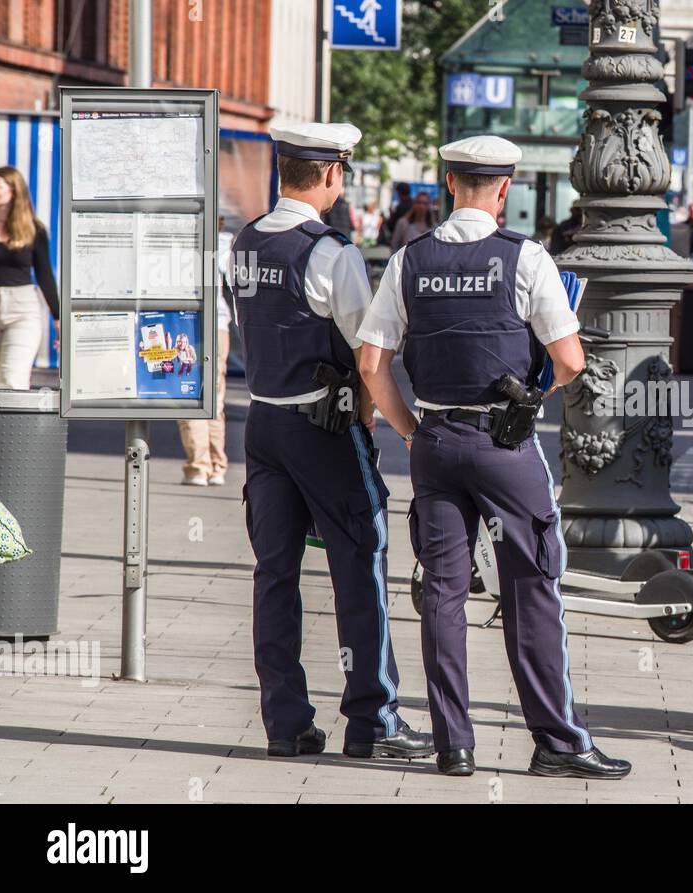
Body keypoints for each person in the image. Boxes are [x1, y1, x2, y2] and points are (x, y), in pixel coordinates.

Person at [357, 134, 631, 781]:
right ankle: (556, 741)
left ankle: (455, 745)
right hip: (505, 447)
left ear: (450, 183)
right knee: (532, 586)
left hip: (437, 442)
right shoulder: (524, 258)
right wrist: (535, 393)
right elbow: (570, 359)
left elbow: (371, 362)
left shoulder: (410, 259)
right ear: (504, 189)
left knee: (444, 595)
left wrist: (410, 429)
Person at [231, 121, 433, 760]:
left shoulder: (242, 244)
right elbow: (367, 353)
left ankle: (286, 723)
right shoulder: (331, 253)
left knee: (274, 573)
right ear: (327, 175)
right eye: (340, 172)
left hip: (262, 424)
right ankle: (374, 720)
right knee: (361, 555)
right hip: (324, 426)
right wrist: (378, 421)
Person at [178, 216, 233, 487]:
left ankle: (199, 465)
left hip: (186, 322)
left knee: (189, 393)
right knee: (216, 397)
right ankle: (217, 465)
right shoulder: (224, 243)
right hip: (219, 324)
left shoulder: (177, 242)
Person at [0, 166, 59, 390]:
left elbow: (45, 275)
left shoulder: (34, 229)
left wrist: (58, 319)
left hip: (21, 309)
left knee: (12, 380)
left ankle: (5, 426)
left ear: (14, 191)